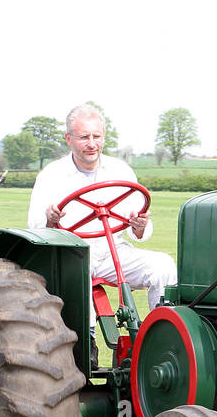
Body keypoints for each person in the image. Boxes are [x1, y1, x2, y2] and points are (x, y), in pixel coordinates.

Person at [27, 104, 177, 363]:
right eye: (84, 137)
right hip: (72, 250)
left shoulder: (120, 171)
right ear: (69, 139)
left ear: (103, 137)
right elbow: (35, 227)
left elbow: (138, 224)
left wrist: (139, 226)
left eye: (97, 136)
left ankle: (164, 338)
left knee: (162, 265)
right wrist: (50, 219)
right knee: (79, 275)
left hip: (113, 248)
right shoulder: (51, 175)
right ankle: (87, 344)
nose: (91, 143)